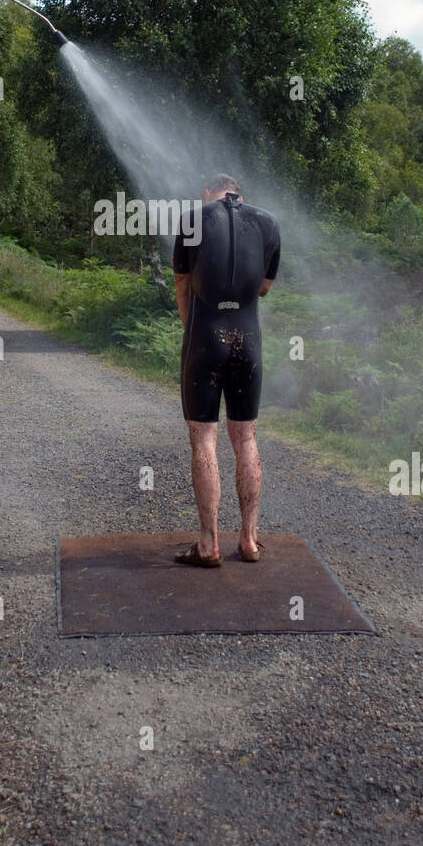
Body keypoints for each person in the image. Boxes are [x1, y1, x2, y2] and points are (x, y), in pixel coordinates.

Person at [172, 175, 280, 566]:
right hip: (248, 340)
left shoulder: (192, 219)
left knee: (204, 440)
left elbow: (183, 284)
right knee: (246, 438)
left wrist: (191, 332)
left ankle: (208, 545)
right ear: (239, 194)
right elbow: (264, 287)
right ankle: (249, 540)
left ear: (207, 194)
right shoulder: (268, 223)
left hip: (205, 338)